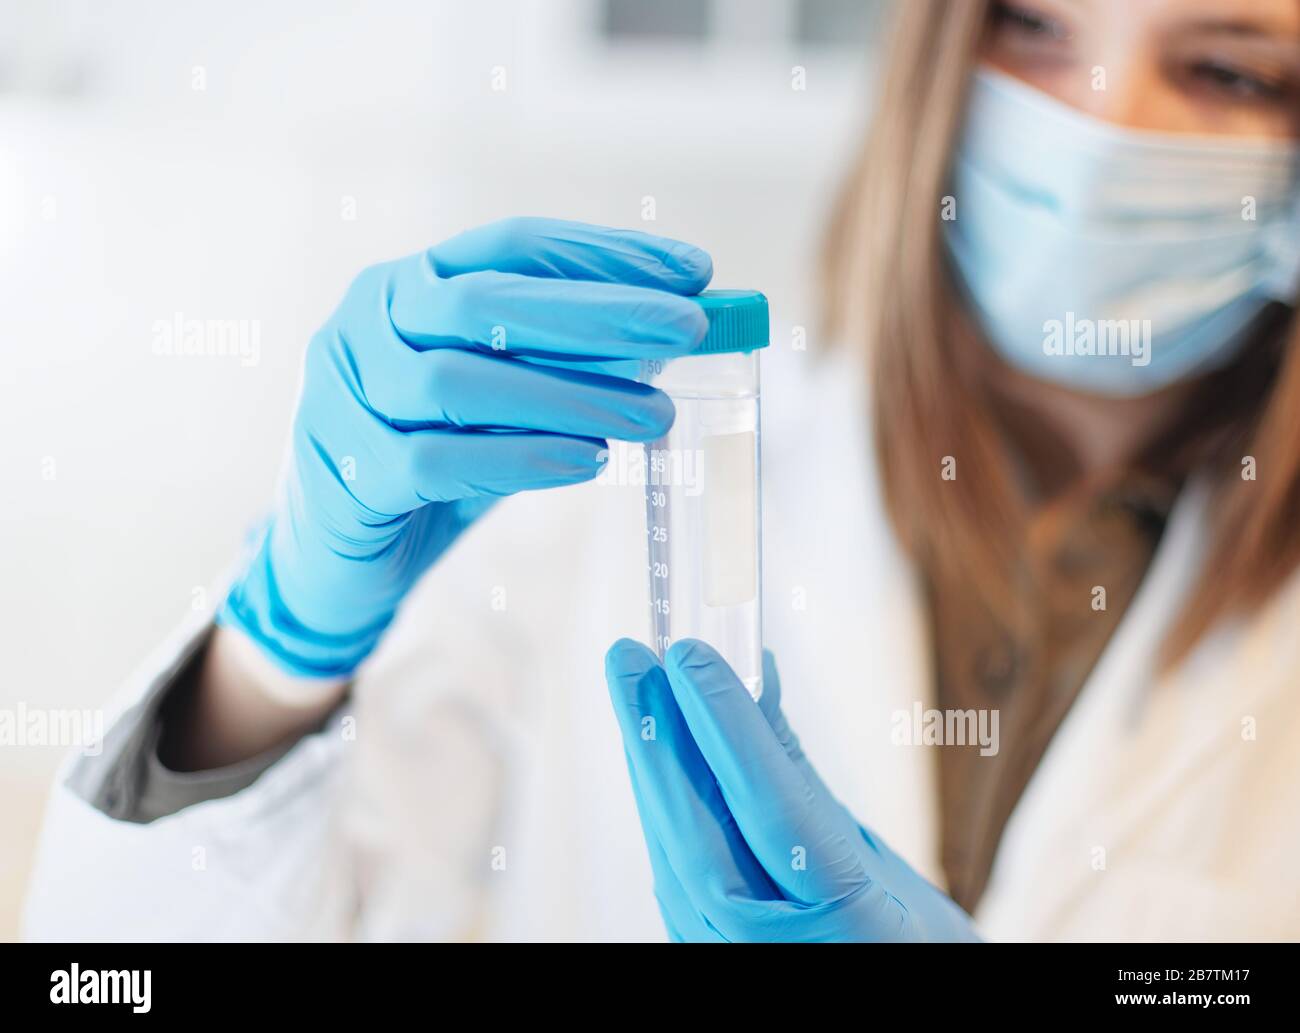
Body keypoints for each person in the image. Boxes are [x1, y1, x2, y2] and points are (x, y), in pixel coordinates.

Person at [25, 0, 1300, 941]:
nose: (1096, 121)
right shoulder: (590, 511)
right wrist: (276, 654)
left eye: (1226, 69)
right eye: (1030, 25)